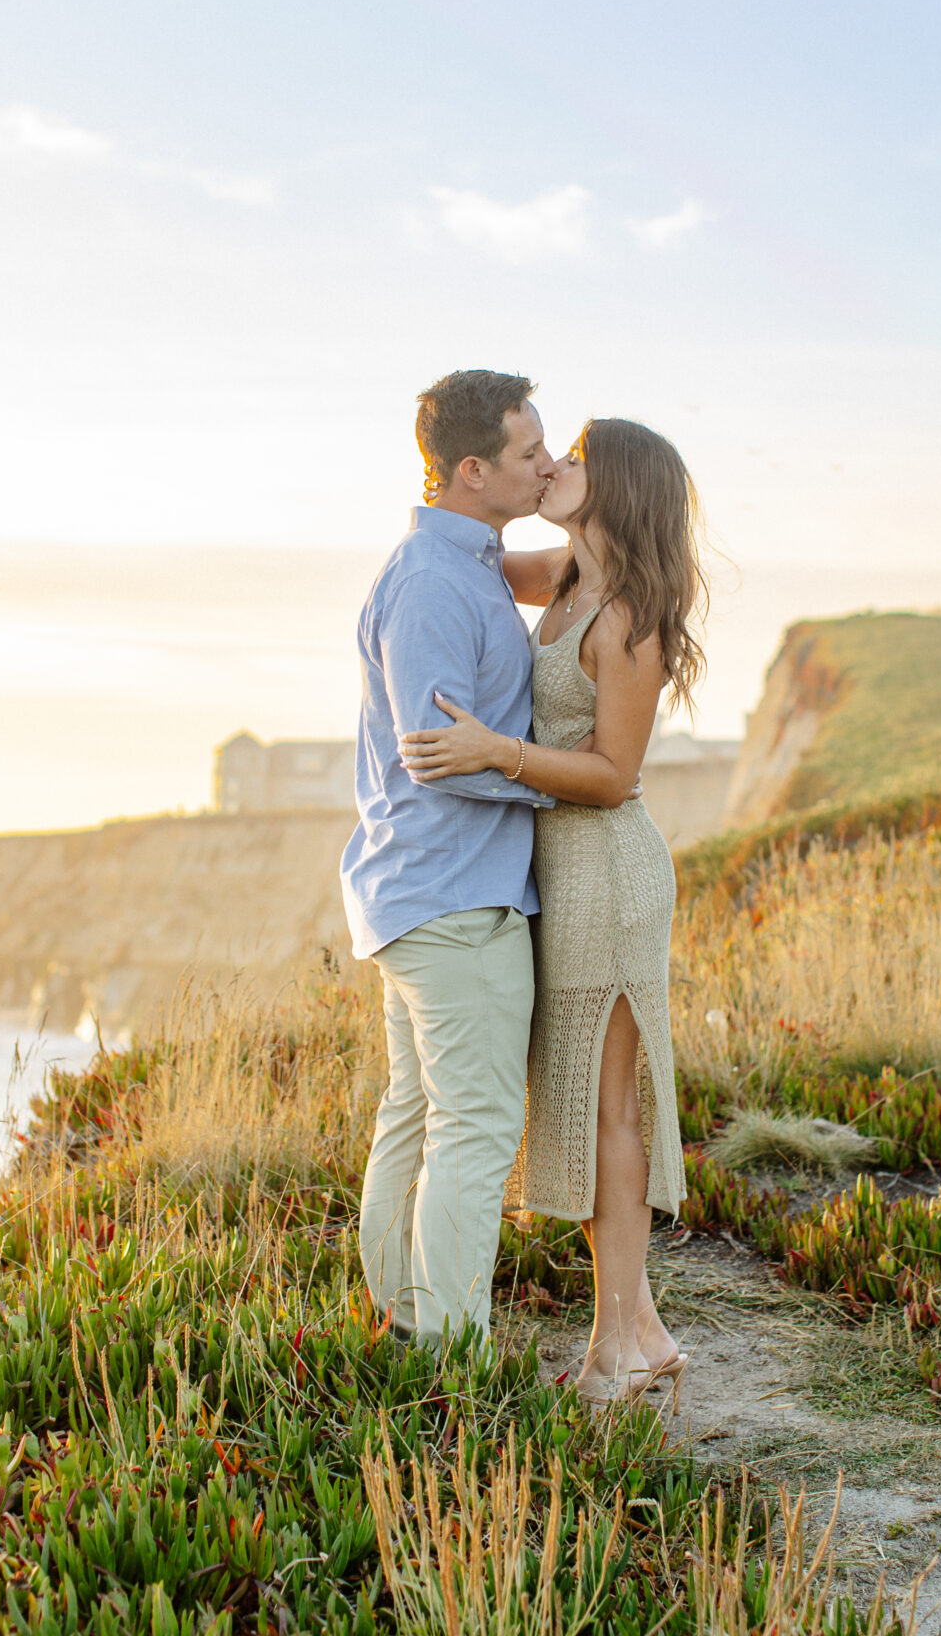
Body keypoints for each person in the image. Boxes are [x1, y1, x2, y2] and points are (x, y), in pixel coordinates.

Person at [402, 416, 705, 1403]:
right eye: (549, 450)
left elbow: (615, 775)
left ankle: (626, 1334)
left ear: (616, 485)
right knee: (580, 1103)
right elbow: (476, 547)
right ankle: (635, 1327)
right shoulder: (567, 575)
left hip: (607, 872)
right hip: (557, 874)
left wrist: (499, 751)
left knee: (609, 1108)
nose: (554, 467)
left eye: (573, 456)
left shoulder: (631, 614)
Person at [341, 368, 559, 1345]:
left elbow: (566, 568)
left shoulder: (465, 562)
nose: (546, 463)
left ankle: (401, 1322)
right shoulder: (434, 582)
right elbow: (437, 758)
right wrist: (563, 780)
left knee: (421, 1112)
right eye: (527, 452)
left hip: (429, 890)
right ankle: (450, 1355)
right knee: (471, 1125)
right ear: (471, 469)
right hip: (453, 895)